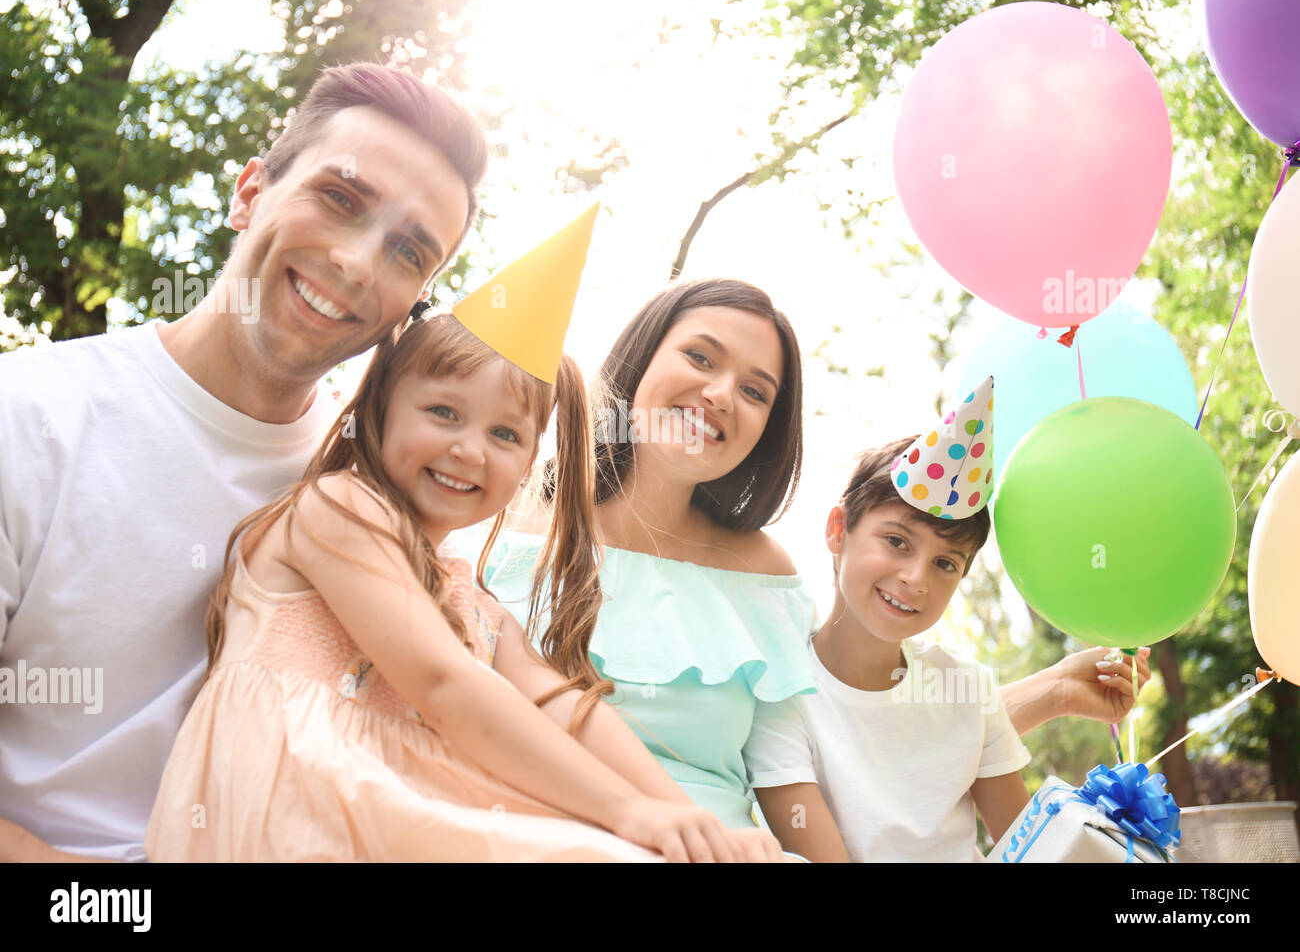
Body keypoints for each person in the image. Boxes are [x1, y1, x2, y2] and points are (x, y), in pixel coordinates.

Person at [0, 62, 488, 862]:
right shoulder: (27, 418)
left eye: (407, 251)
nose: (360, 264)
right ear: (250, 193)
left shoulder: (378, 494)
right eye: (340, 199)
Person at [480, 278, 1151, 834]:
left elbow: (856, 732)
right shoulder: (495, 520)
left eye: (755, 391)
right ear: (643, 357)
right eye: (701, 358)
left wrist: (1053, 690)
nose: (719, 395)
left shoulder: (760, 574)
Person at [146, 303, 770, 861]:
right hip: (294, 804)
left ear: (528, 465)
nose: (470, 450)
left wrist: (681, 817)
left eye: (504, 434)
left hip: (391, 804)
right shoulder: (338, 509)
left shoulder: (476, 603)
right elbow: (443, 683)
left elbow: (566, 709)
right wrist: (627, 810)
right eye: (444, 412)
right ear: (382, 408)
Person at [744, 384, 1032, 862]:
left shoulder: (968, 688)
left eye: (946, 564)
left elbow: (1031, 849)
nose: (916, 579)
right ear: (838, 530)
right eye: (897, 541)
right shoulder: (781, 695)